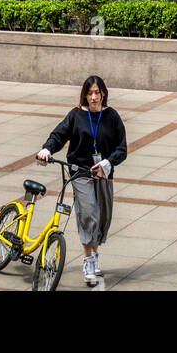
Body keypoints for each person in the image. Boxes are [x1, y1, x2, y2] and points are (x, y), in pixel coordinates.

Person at [37, 74, 127, 287]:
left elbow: (121, 149)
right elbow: (59, 134)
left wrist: (107, 164)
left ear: (103, 93)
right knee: (88, 214)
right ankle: (88, 260)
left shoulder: (112, 116)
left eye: (97, 93)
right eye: (90, 93)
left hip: (103, 173)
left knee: (102, 218)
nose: (93, 97)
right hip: (80, 172)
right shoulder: (76, 115)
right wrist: (47, 149)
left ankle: (94, 255)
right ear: (84, 95)